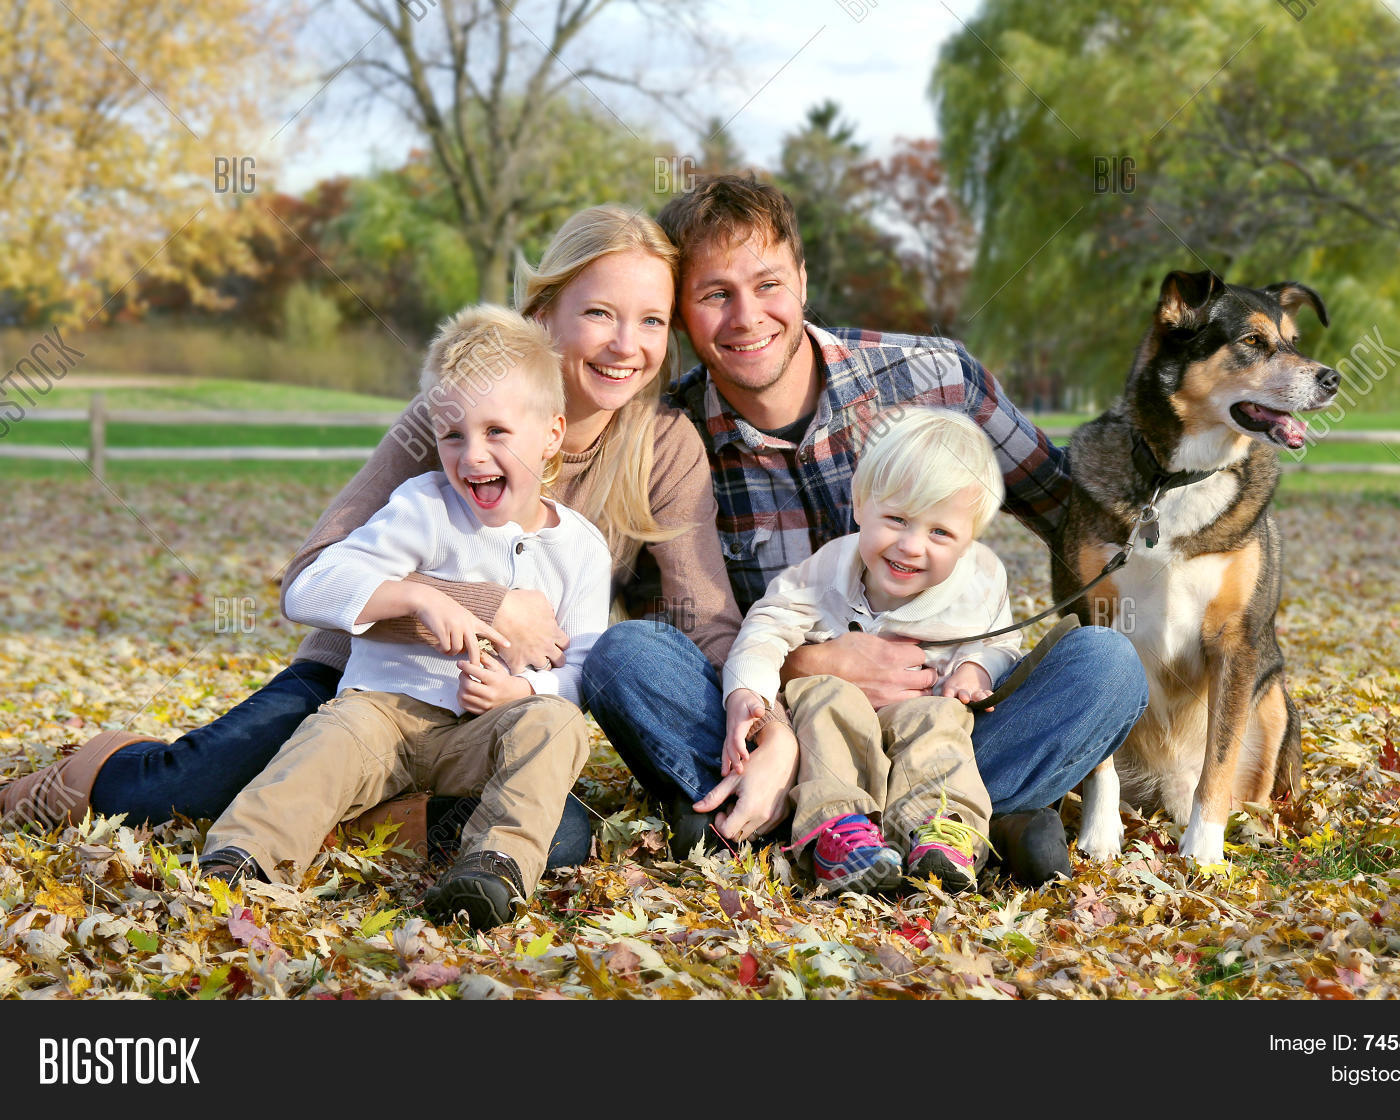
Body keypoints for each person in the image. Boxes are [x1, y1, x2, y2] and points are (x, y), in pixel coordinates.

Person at [0, 206, 741, 872]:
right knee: (186, 790)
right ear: (544, 314)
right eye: (601, 313)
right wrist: (487, 605)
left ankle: (358, 817)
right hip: (362, 681)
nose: (626, 345)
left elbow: (698, 615)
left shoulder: (662, 442)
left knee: (564, 841)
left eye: (651, 321)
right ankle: (95, 771)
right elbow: (315, 569)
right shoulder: (451, 415)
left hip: (493, 713)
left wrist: (752, 708)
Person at [583, 173, 1150, 884]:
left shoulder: (935, 377)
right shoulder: (663, 440)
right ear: (682, 315)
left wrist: (981, 663)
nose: (746, 317)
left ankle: (808, 825)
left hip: (950, 726)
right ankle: (968, 820)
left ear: (802, 277)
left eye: (767, 285)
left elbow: (1076, 511)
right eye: (714, 294)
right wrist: (810, 666)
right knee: (627, 655)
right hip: (778, 731)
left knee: (1107, 664)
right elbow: (661, 630)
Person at [197, 306, 611, 927]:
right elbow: (310, 587)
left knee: (556, 728)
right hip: (382, 716)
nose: (471, 456)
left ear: (552, 434)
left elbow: (583, 669)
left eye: (496, 432)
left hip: (482, 736)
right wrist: (418, 597)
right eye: (452, 435)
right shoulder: (423, 506)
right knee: (326, 741)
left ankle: (492, 869)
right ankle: (246, 853)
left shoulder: (580, 547)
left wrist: (522, 689)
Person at [722, 408, 1020, 894]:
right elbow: (765, 625)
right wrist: (748, 693)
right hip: (838, 720)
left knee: (940, 721)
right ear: (861, 505)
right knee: (824, 696)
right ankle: (838, 831)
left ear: (969, 540)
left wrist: (974, 667)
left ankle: (939, 831)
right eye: (896, 519)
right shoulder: (824, 572)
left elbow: (1001, 641)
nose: (910, 546)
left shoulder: (980, 582)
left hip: (919, 711)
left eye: (939, 532)